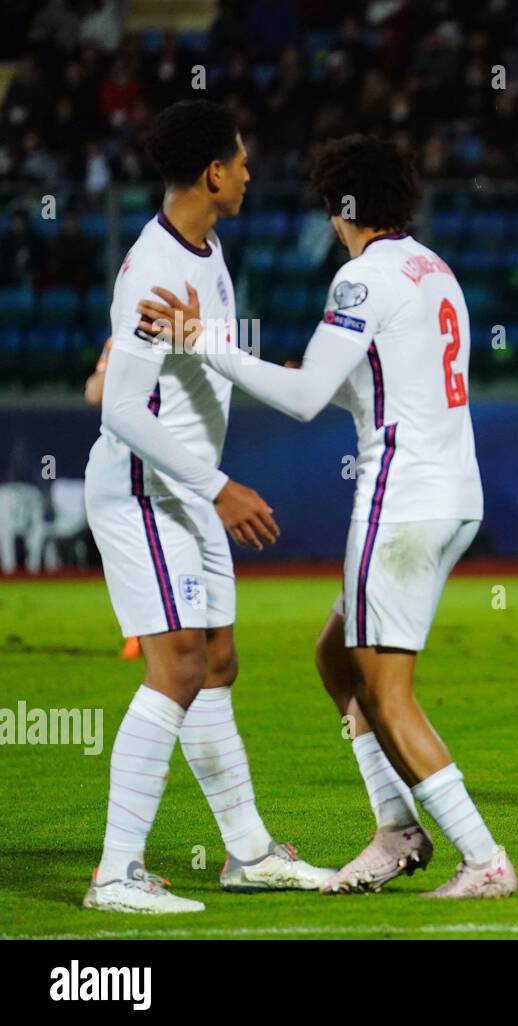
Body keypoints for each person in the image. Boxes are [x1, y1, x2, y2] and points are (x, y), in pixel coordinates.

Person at [145, 134, 515, 898]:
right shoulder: (435, 271)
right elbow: (382, 383)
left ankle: (483, 859)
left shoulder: (361, 279)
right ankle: (396, 829)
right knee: (334, 656)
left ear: (336, 208)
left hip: (401, 500)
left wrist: (203, 342)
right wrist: (308, 373)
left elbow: (307, 397)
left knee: (387, 693)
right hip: (453, 494)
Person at [82, 100, 330, 915]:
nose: (252, 172)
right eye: (243, 160)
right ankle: (116, 875)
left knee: (218, 663)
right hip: (147, 491)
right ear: (214, 172)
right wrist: (217, 485)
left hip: (188, 489)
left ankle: (249, 854)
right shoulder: (160, 264)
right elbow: (120, 411)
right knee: (180, 666)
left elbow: (181, 360)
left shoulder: (206, 249)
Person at [85, 335, 141, 660]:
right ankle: (137, 633)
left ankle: (148, 632)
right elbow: (93, 392)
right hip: (125, 462)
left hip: (166, 460)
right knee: (126, 551)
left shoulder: (189, 331)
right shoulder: (119, 340)